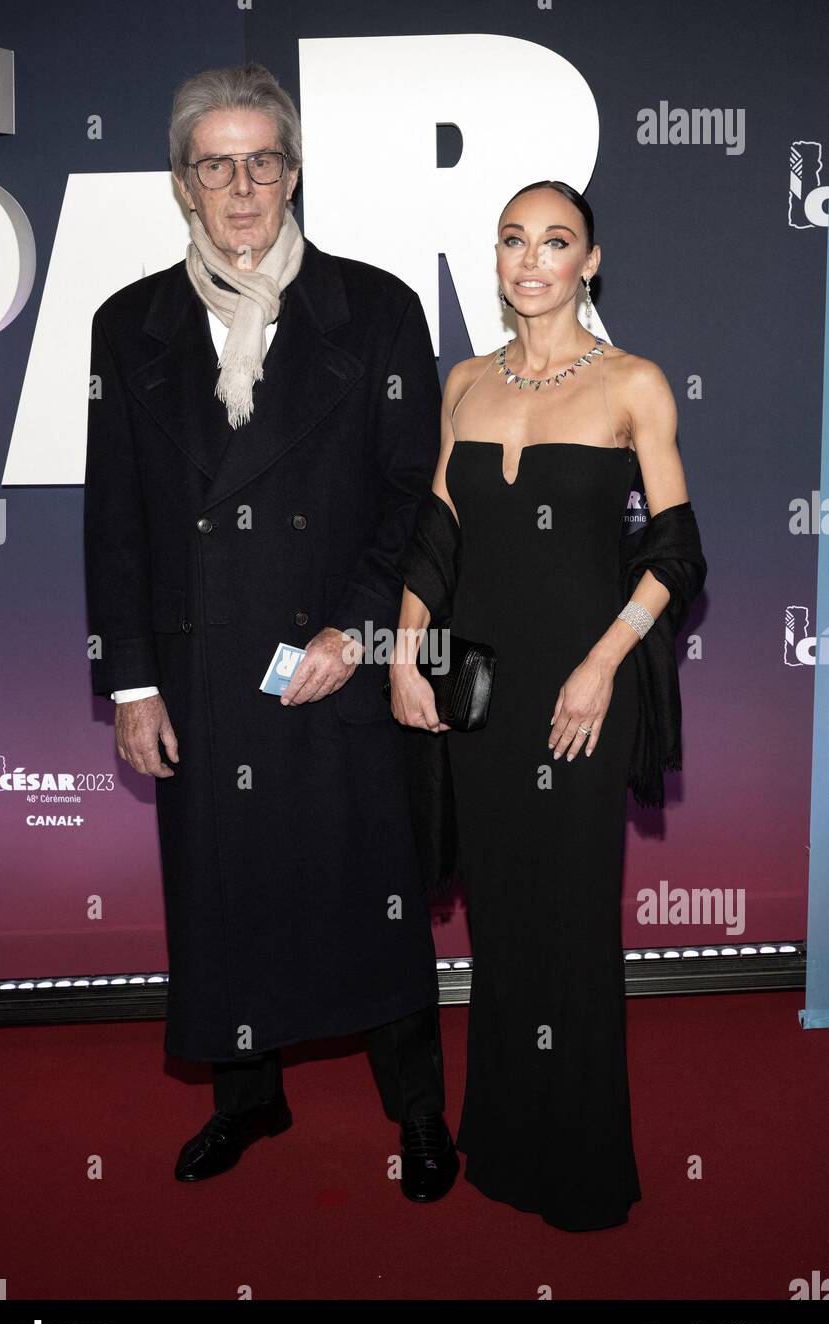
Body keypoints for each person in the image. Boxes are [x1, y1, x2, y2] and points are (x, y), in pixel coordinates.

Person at [83, 62, 459, 1201]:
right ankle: (248, 1101)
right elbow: (117, 522)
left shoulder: (376, 307)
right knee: (224, 891)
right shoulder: (127, 324)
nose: (241, 186)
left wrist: (357, 630)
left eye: (262, 162)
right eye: (216, 164)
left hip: (334, 664)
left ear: (291, 174)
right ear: (182, 182)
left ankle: (419, 1114)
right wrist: (133, 683)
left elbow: (415, 495)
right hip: (202, 667)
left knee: (370, 892)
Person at [389, 180, 707, 1230]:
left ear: (589, 260)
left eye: (554, 241)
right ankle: (505, 1135)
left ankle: (575, 1165)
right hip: (480, 687)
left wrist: (604, 659)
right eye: (513, 239)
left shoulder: (632, 384)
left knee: (569, 921)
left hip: (581, 687)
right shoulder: (465, 384)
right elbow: (437, 534)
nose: (531, 259)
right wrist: (405, 651)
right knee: (501, 918)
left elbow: (673, 549)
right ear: (495, 256)